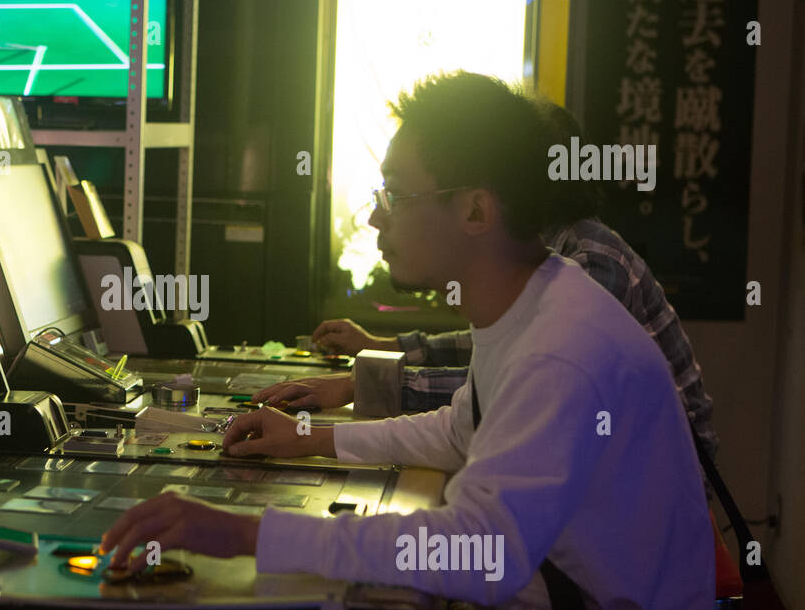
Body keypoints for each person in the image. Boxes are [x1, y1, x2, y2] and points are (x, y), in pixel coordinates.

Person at [100, 72, 713, 610]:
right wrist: (310, 436)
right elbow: (459, 429)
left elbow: (481, 554)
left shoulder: (557, 350)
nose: (375, 216)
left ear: (476, 210)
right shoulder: (536, 299)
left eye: (395, 193)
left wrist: (246, 533)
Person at [260, 102, 719, 462]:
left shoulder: (587, 271)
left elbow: (502, 403)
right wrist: (376, 357)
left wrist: (361, 386)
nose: (377, 218)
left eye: (396, 195)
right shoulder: (534, 268)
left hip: (649, 488)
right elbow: (466, 420)